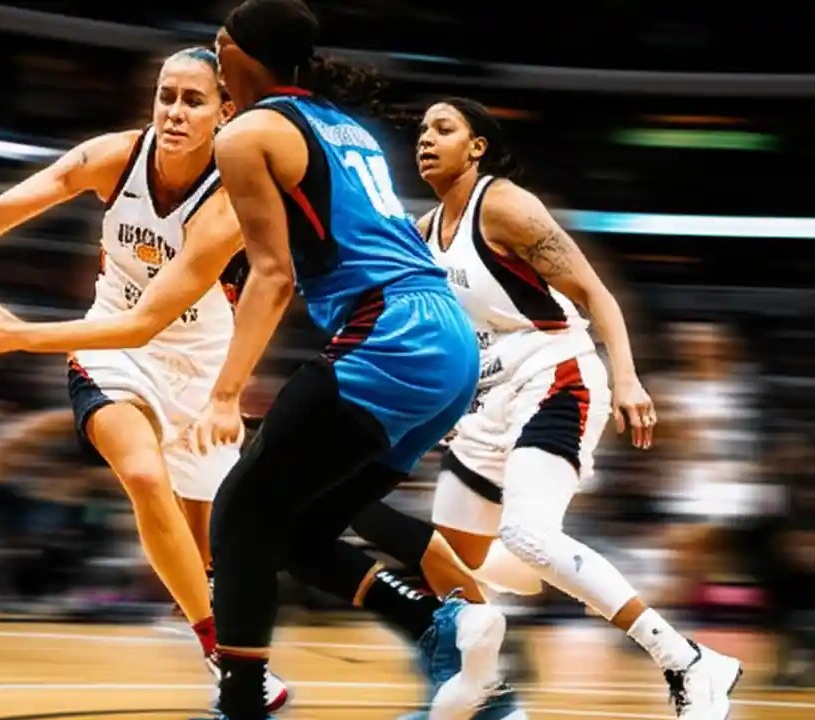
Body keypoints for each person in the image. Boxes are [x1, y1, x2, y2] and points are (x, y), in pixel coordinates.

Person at [0, 48, 290, 711]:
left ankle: (204, 617)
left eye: (193, 100)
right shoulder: (112, 158)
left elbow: (149, 321)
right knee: (143, 476)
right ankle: (224, 657)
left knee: (207, 554)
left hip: (199, 365)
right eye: (166, 95)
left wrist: (16, 336)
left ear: (226, 112)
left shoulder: (227, 204)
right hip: (107, 347)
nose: (174, 110)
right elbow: (0, 212)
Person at [183, 1, 527, 718]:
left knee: (241, 513)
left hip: (391, 332)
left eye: (221, 45)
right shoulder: (345, 127)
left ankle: (242, 702)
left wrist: (224, 393)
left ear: (247, 53)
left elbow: (274, 273)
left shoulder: (247, 133)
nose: (214, 56)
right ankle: (459, 648)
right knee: (302, 530)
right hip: (446, 344)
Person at [411, 96, 743, 717]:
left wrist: (628, 378)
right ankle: (497, 669)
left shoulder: (505, 205)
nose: (426, 138)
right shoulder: (426, 231)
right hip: (487, 401)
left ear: (476, 146)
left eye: (443, 128)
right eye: (422, 129)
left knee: (528, 534)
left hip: (557, 374)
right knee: (455, 558)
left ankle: (688, 661)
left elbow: (596, 293)